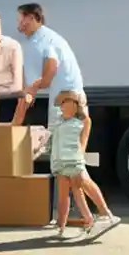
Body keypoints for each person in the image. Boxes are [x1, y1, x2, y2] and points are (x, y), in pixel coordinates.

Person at [11, 2, 120, 236]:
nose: (19, 24)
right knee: (67, 170)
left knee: (73, 169)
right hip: (66, 99)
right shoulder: (44, 39)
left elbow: (50, 71)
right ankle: (88, 218)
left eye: (22, 19)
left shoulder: (44, 40)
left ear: (34, 18)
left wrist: (35, 87)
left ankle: (105, 214)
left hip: (66, 102)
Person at [50, 90, 95, 239]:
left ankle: (93, 217)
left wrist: (78, 160)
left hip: (74, 161)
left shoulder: (82, 121)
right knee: (72, 192)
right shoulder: (62, 121)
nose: (63, 107)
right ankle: (71, 223)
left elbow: (82, 143)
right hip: (64, 162)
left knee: (80, 188)